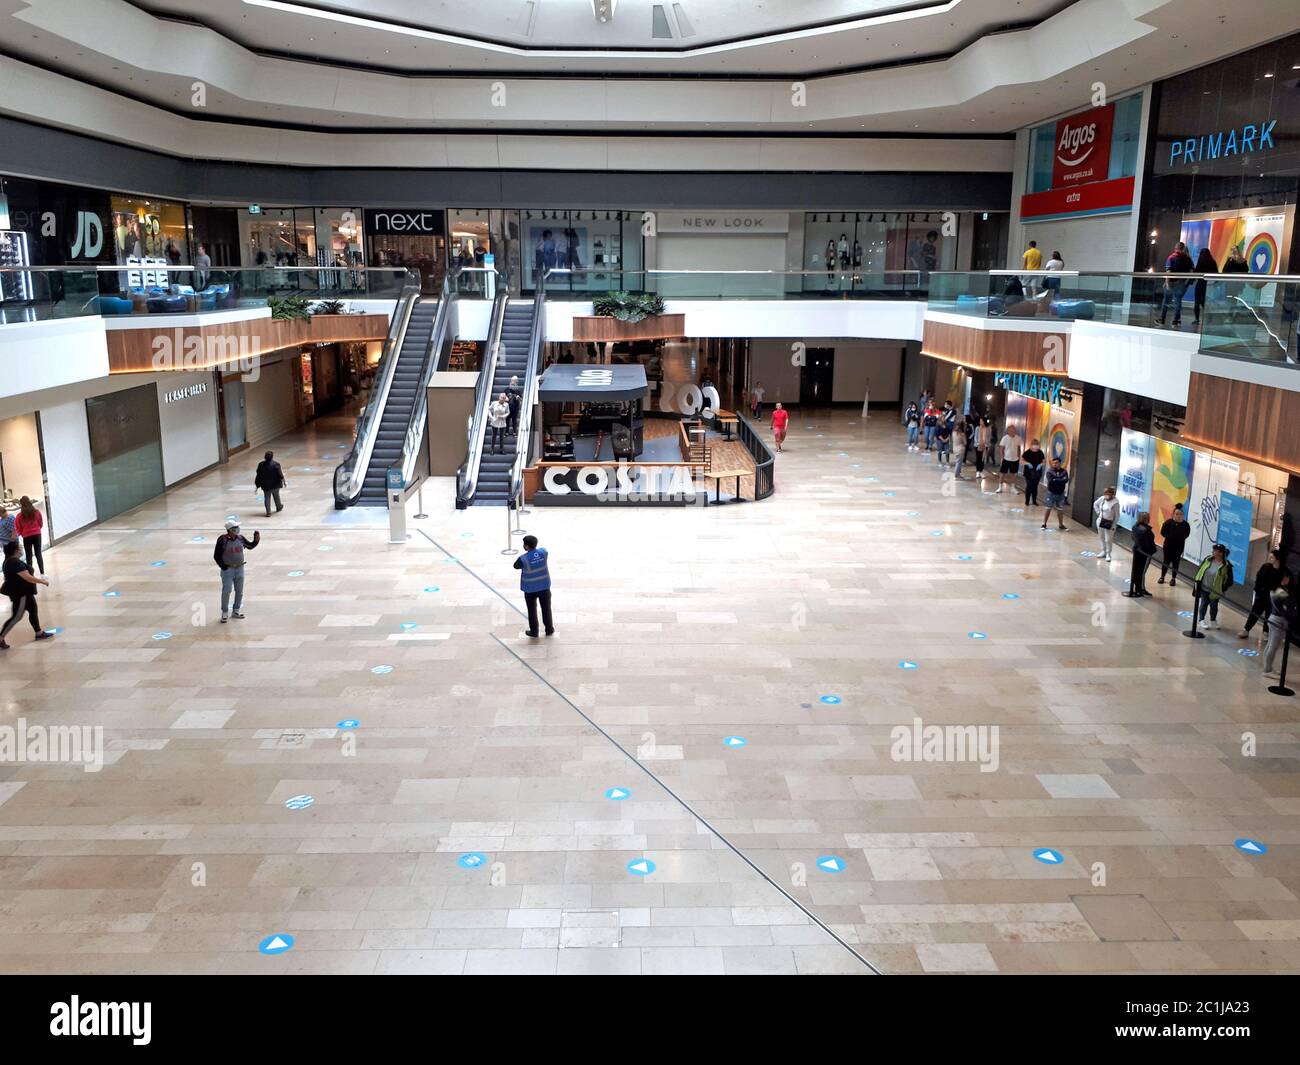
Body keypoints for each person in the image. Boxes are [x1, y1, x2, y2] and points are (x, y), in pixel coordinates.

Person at [0, 539, 53, 649]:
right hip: (21, 595)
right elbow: (27, 577)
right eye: (20, 547)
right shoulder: (13, 562)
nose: (22, 548)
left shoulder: (13, 560)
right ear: (16, 550)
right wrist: (42, 581)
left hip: (26, 593)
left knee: (33, 610)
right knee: (16, 617)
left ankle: (38, 633)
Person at [214, 519, 259, 624]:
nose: (237, 530)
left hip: (240, 568)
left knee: (239, 591)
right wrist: (224, 567)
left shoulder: (240, 538)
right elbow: (216, 555)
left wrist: (256, 540)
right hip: (228, 570)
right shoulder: (223, 540)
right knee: (227, 590)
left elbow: (250, 546)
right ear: (230, 530)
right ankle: (225, 612)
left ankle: (236, 610)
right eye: (235, 528)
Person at [1240, 549, 1289, 639]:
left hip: (1273, 597)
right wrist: (1258, 591)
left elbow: (1284, 586)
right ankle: (1246, 629)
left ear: (1277, 559)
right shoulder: (1266, 567)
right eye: (1269, 557)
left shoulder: (1284, 572)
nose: (1270, 558)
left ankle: (1265, 632)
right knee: (1255, 612)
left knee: (1269, 615)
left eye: (1272, 557)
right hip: (1262, 595)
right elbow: (1258, 579)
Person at [514, 534, 554, 639]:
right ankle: (549, 629)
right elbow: (543, 553)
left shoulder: (523, 559)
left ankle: (534, 631)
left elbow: (515, 566)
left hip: (530, 589)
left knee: (532, 610)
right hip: (544, 587)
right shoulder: (543, 552)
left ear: (526, 546)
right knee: (546, 609)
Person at [1192, 543, 1234, 629]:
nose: (1213, 552)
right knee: (1204, 603)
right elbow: (1200, 570)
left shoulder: (1226, 565)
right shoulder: (1208, 559)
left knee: (1214, 606)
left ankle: (1213, 620)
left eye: (1215, 550)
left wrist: (1222, 588)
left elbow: (1229, 580)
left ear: (1221, 553)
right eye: (1213, 550)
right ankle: (1201, 620)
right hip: (1204, 587)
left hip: (1215, 590)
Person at [1263, 575, 1295, 679]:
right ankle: (1267, 670)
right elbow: (1289, 604)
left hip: (1273, 618)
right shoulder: (1280, 591)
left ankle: (1268, 667)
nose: (1287, 579)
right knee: (1273, 646)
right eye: (1285, 577)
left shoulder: (1276, 589)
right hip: (1278, 621)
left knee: (1270, 645)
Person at [1156, 241, 1194, 327]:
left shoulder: (1171, 258)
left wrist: (1167, 283)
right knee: (1178, 302)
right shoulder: (1188, 259)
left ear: (1175, 248)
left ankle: (1162, 319)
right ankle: (1175, 321)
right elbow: (1191, 272)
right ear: (1183, 248)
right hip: (1181, 283)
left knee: (1166, 301)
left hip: (1172, 283)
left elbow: (1168, 272)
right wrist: (1186, 282)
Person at [1157, 504, 1191, 586]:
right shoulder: (1168, 523)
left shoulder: (1186, 525)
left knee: (1176, 563)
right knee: (1166, 561)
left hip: (1178, 547)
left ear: (1183, 515)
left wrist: (1180, 538)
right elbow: (1162, 532)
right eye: (1177, 514)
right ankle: (1162, 576)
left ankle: (1173, 578)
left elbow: (1187, 534)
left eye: (1180, 514)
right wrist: (1170, 537)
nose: (1179, 516)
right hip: (1168, 546)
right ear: (1173, 514)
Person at [1129, 512, 1157, 596]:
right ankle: (1140, 589)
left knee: (1137, 569)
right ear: (1146, 519)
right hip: (1145, 553)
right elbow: (1148, 543)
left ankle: (1139, 587)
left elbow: (1133, 538)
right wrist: (1152, 550)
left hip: (1137, 550)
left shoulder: (1135, 527)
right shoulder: (1146, 531)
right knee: (1142, 571)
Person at [14, 497, 43, 575]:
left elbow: (18, 527)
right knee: (38, 554)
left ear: (21, 504)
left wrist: (22, 533)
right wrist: (37, 529)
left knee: (28, 555)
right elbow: (40, 523)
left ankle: (30, 574)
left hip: (26, 536)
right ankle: (42, 573)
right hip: (37, 534)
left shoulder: (19, 516)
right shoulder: (36, 512)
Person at [1041, 457, 1070, 531]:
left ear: (1060, 463)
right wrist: (1060, 480)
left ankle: (1061, 525)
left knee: (1060, 509)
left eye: (1056, 463)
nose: (1054, 464)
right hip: (1051, 493)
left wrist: (1056, 479)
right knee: (1048, 509)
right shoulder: (1050, 471)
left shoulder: (1064, 471)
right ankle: (1044, 524)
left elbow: (1065, 480)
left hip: (1060, 494)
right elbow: (1050, 481)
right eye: (1053, 463)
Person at [254, 450, 285, 516]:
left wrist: (257, 484)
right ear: (272, 457)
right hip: (275, 484)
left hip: (265, 485)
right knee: (276, 496)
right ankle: (279, 507)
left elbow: (258, 474)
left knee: (267, 497)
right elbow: (280, 474)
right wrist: (284, 481)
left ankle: (268, 512)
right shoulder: (276, 464)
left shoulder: (261, 464)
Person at [1192, 246, 1218, 325]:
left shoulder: (1200, 262)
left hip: (1200, 284)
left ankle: (1196, 319)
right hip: (1208, 285)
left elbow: (1196, 273)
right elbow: (1216, 273)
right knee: (1204, 302)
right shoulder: (1213, 262)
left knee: (1197, 302)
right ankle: (1209, 316)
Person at [1093, 486, 1120, 560]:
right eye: (1105, 494)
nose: (1106, 495)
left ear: (1112, 494)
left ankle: (1108, 553)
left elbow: (1117, 515)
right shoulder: (1102, 499)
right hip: (1100, 520)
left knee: (1108, 539)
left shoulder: (1115, 503)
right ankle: (1103, 551)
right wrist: (1098, 512)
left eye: (1108, 494)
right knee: (1101, 537)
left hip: (1109, 522)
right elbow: (1095, 504)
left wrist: (1114, 525)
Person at [996, 425, 1022, 494]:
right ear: (1008, 431)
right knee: (1002, 473)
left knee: (1013, 474)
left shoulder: (1018, 438)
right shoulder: (1005, 438)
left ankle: (1013, 488)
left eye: (1014, 430)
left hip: (1015, 459)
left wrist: (1018, 457)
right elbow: (1001, 448)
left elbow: (1019, 448)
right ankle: (1000, 487)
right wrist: (1002, 457)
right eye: (1011, 430)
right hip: (1006, 459)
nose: (1013, 431)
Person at [1021, 438, 1046, 506]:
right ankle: (1027, 501)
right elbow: (1021, 461)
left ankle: (1034, 501)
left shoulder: (1040, 452)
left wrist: (1040, 465)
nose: (1036, 446)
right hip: (1028, 472)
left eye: (1037, 445)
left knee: (1035, 486)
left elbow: (1044, 461)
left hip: (1037, 472)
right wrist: (1027, 463)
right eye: (1035, 445)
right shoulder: (1027, 452)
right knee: (1029, 486)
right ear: (1031, 445)